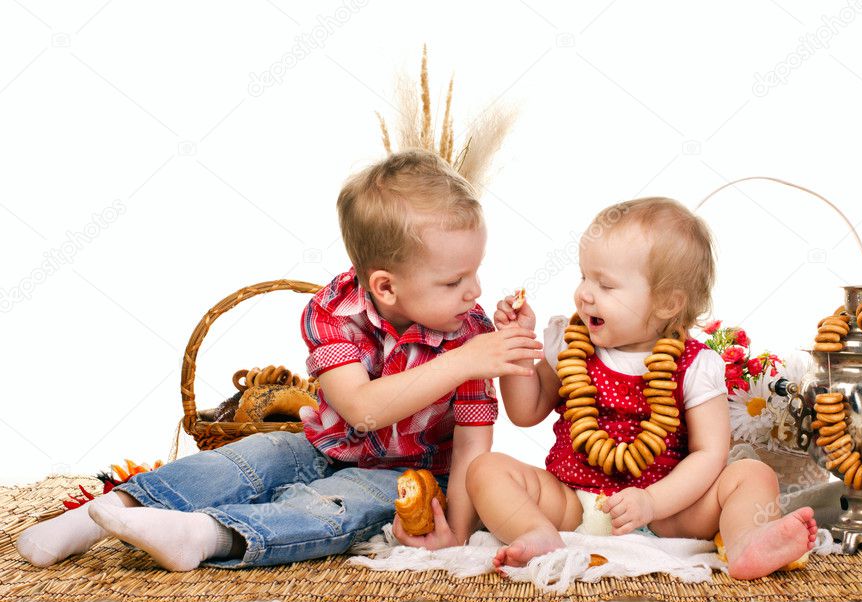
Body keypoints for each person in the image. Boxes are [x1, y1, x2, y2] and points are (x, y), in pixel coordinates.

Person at [17, 149, 542, 570]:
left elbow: (472, 446)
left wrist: (454, 533)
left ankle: (207, 536)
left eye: (476, 271)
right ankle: (102, 513)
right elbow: (360, 408)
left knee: (339, 505)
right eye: (454, 280)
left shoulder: (472, 335)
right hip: (326, 445)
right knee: (252, 457)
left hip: (408, 474)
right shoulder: (335, 309)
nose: (475, 290)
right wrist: (461, 363)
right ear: (385, 287)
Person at [466, 197, 818, 580]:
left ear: (667, 304)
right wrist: (517, 347)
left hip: (669, 512)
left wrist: (651, 502)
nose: (584, 294)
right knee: (485, 469)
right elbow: (526, 411)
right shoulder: (569, 343)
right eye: (583, 277)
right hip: (571, 501)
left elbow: (710, 453)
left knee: (753, 475)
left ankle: (745, 542)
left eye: (605, 285)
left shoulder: (695, 365)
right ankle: (537, 533)